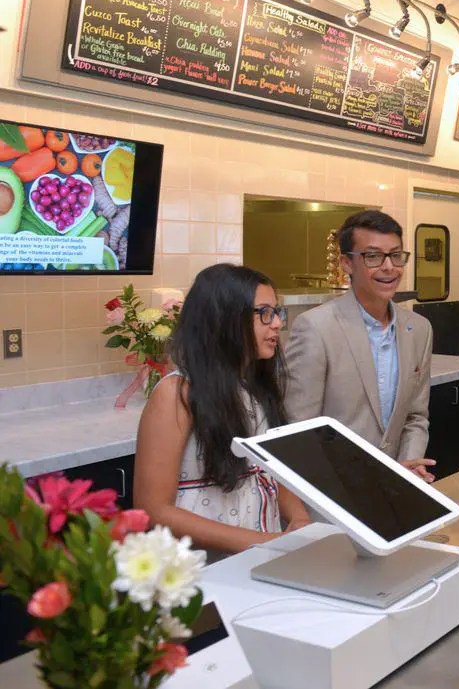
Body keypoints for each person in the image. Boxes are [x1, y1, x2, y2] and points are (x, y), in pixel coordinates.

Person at [133, 264, 311, 556]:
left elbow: (271, 471)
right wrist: (262, 543)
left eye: (277, 312)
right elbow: (154, 510)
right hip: (202, 564)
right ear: (225, 319)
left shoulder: (257, 386)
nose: (277, 323)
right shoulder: (176, 393)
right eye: (265, 313)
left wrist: (299, 519)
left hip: (260, 553)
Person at [285, 210, 437, 482]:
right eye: (373, 256)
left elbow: (415, 416)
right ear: (346, 263)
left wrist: (407, 467)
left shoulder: (419, 329)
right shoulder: (316, 328)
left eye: (396, 255)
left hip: (395, 490)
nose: (389, 267)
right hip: (335, 491)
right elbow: (299, 430)